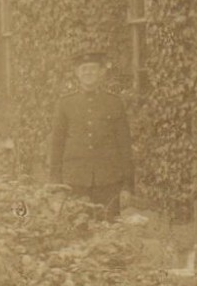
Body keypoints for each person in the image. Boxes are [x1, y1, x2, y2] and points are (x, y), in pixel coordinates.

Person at [47, 50, 134, 218]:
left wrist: (127, 186)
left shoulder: (114, 103)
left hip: (108, 181)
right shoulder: (65, 104)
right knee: (76, 231)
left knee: (109, 231)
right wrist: (56, 182)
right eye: (84, 69)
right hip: (74, 180)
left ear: (102, 72)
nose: (88, 73)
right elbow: (57, 145)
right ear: (77, 73)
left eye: (93, 69)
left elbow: (125, 146)